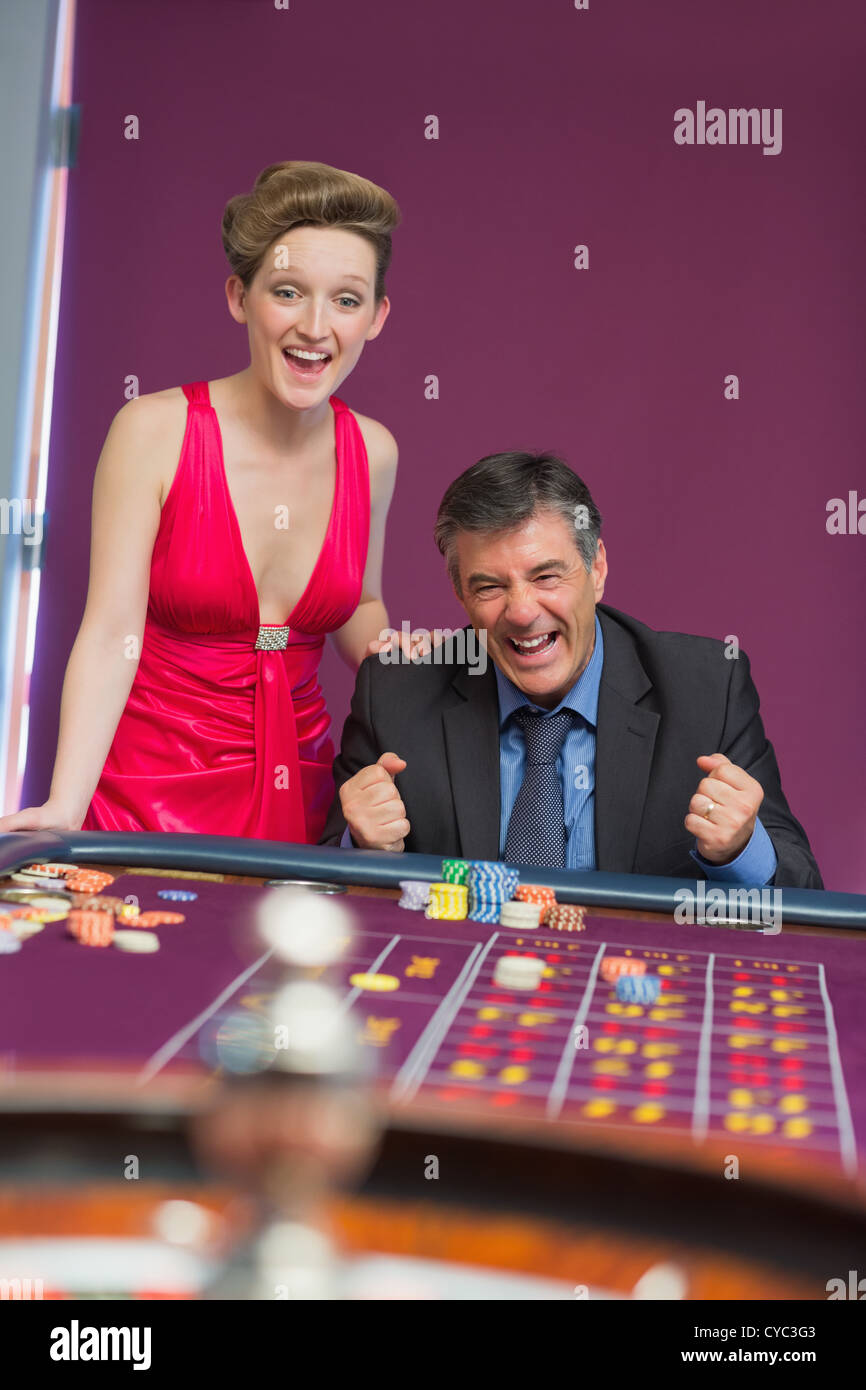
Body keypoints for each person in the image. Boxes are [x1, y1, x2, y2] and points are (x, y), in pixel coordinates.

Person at [0, 161, 406, 844]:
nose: (314, 326)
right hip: (148, 793)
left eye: (345, 299)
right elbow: (110, 632)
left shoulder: (375, 452)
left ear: (376, 316)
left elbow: (360, 603)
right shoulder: (153, 432)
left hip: (299, 788)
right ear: (238, 296)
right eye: (286, 291)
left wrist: (407, 656)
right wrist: (66, 805)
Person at [321, 453, 823, 888]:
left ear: (597, 568)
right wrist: (359, 845)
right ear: (460, 594)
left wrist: (740, 849)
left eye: (546, 576)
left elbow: (805, 891)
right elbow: (321, 887)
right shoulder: (394, 695)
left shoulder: (708, 687)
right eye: (489, 587)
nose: (521, 611)